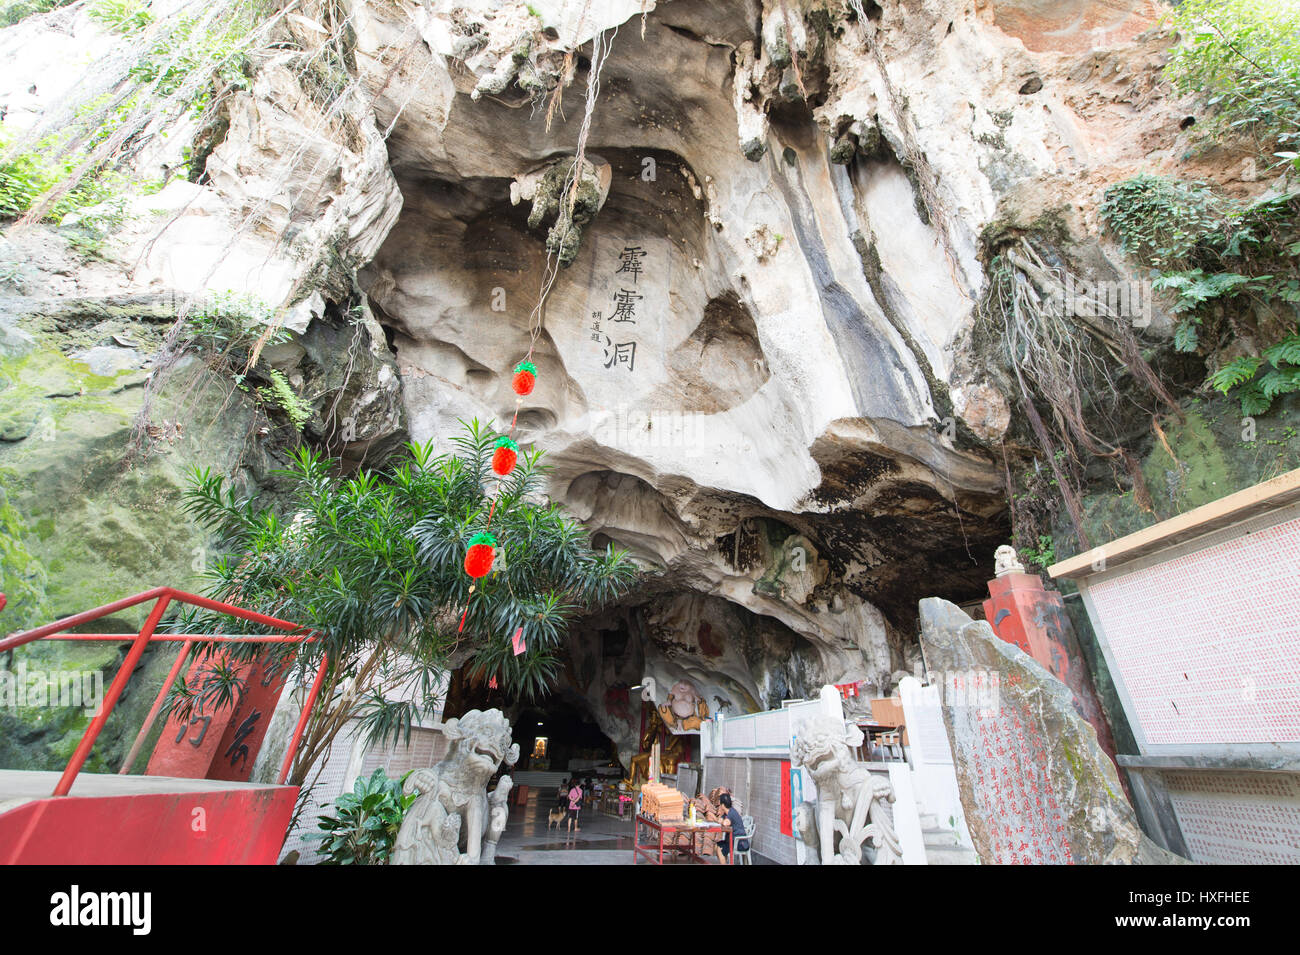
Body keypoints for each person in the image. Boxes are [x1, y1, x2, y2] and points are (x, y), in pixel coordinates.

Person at [713, 792, 748, 864]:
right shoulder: (727, 813)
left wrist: (721, 821)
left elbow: (726, 823)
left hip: (740, 842)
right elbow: (721, 820)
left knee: (720, 849)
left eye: (720, 804)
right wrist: (721, 820)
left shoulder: (731, 813)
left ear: (722, 805)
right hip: (733, 841)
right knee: (717, 846)